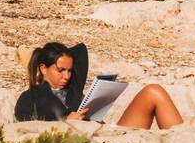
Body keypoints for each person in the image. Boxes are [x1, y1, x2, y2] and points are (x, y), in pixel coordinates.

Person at [15, 41, 184, 129]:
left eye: (70, 70)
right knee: (154, 91)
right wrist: (64, 121)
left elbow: (80, 50)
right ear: (43, 69)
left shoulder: (72, 87)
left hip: (108, 135)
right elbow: (28, 128)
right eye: (60, 70)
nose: (66, 76)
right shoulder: (31, 97)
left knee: (153, 91)